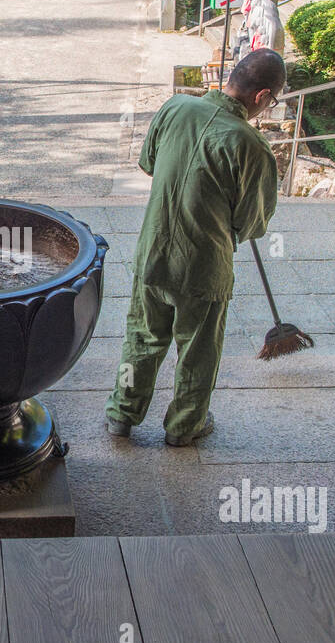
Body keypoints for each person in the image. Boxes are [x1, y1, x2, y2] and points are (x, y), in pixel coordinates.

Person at [106, 49, 285, 445]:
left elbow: (149, 163)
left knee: (141, 339)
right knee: (197, 351)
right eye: (272, 103)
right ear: (261, 97)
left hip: (152, 252)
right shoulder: (252, 146)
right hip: (202, 267)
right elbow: (251, 223)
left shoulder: (175, 108)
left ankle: (122, 412)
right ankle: (185, 427)